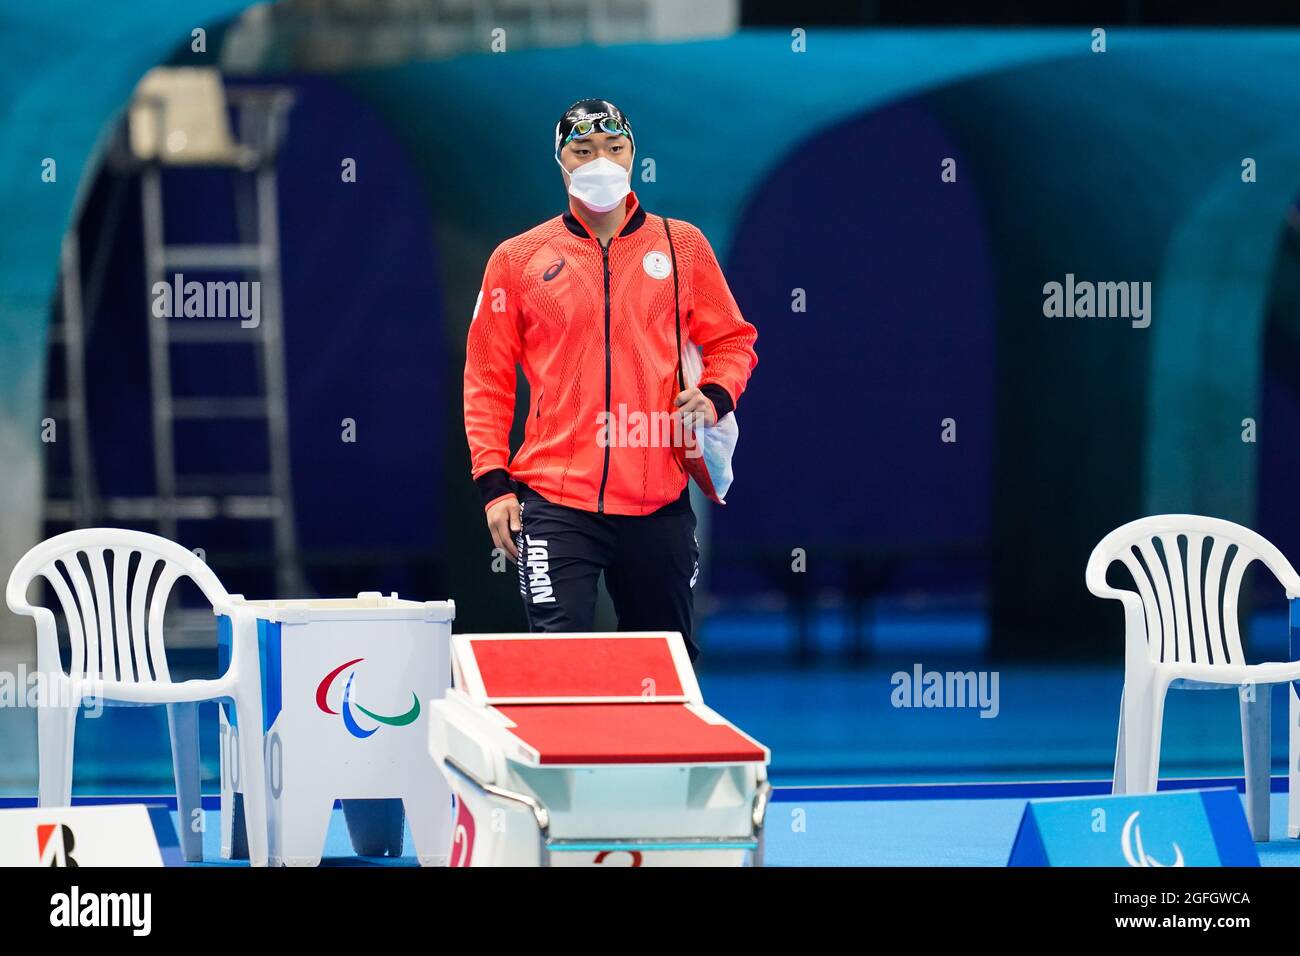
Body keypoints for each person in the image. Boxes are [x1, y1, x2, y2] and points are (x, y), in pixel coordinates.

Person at [463, 98, 757, 660]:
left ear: (632, 154)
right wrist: (494, 483)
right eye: (583, 149)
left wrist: (716, 393)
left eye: (613, 148)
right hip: (555, 498)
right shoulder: (517, 259)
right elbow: (487, 377)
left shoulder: (682, 245)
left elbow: (732, 340)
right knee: (559, 659)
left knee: (667, 666)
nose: (601, 160)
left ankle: (665, 752)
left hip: (657, 496)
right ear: (561, 161)